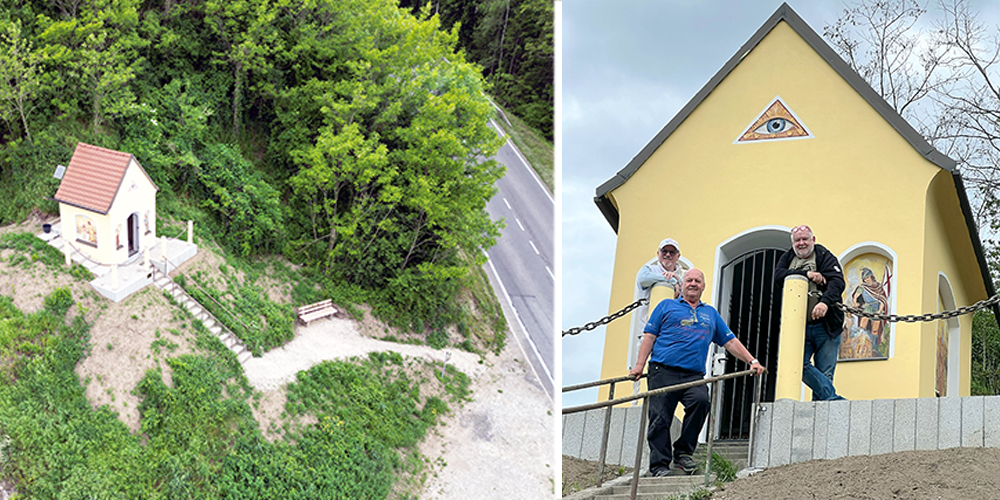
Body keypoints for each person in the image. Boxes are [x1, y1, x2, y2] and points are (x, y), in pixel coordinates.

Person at [629, 269, 765, 476]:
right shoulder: (666, 306)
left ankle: (683, 454)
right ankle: (659, 466)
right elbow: (649, 336)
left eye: (697, 281)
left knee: (701, 402)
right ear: (682, 284)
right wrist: (639, 365)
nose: (693, 283)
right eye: (689, 280)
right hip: (662, 370)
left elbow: (730, 341)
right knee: (660, 418)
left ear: (703, 286)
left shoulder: (710, 313)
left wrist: (752, 360)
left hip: (693, 375)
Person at [773, 225, 846, 401]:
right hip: (799, 325)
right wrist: (807, 273)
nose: (801, 243)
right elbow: (778, 276)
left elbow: (838, 282)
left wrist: (824, 303)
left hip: (826, 325)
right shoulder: (788, 257)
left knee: (825, 372)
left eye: (805, 239)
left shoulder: (823, 255)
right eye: (797, 240)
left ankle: (820, 417)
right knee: (797, 365)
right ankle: (833, 399)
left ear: (813, 240)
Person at [629, 239, 686, 373]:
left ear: (678, 256)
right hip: (647, 329)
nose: (667, 255)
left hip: (674, 333)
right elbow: (643, 279)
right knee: (641, 370)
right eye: (664, 251)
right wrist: (671, 280)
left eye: (672, 252)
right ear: (658, 253)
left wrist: (678, 280)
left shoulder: (683, 275)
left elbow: (690, 291)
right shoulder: (650, 269)